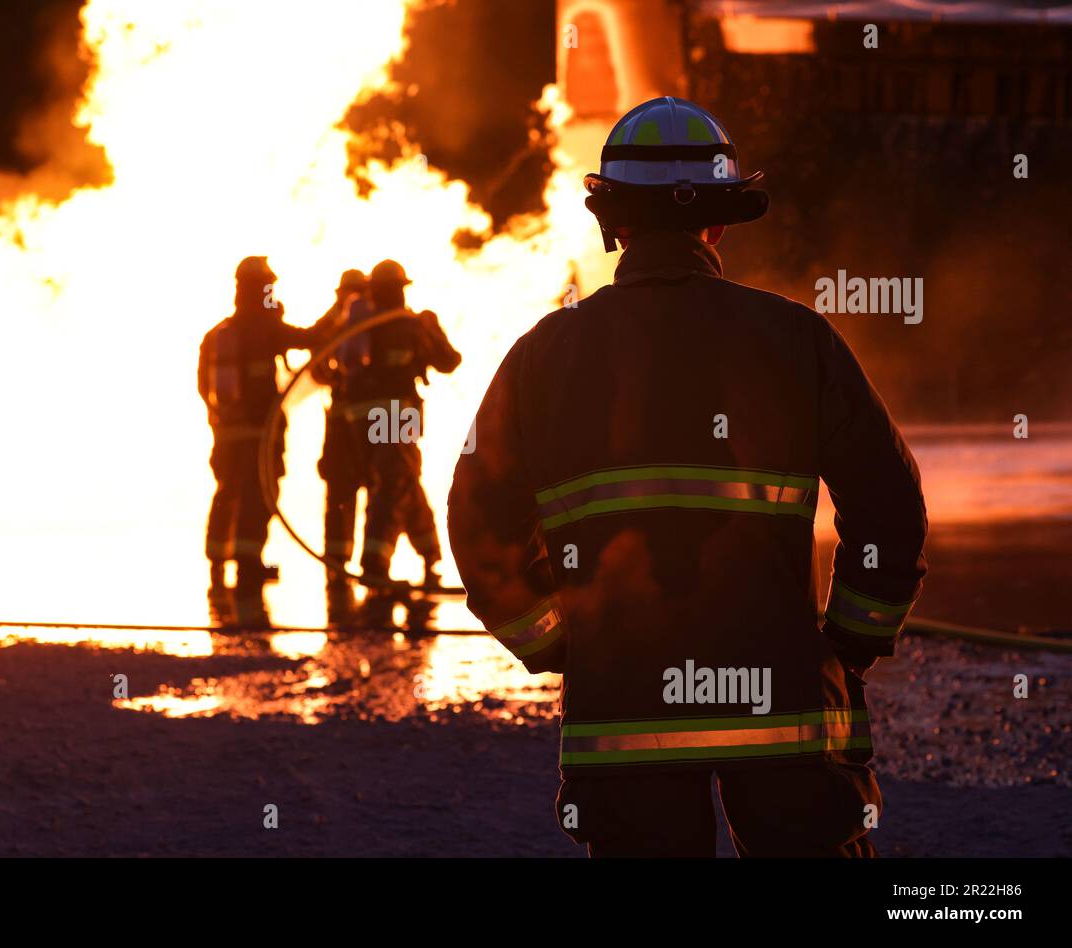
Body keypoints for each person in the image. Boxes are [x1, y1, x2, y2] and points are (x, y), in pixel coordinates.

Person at [447, 97, 928, 857]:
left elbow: (478, 525)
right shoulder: (796, 340)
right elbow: (890, 508)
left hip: (623, 714)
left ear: (614, 223)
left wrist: (557, 645)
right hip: (784, 711)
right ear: (721, 221)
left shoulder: (544, 355)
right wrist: (846, 643)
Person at [199, 256, 315, 597]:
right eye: (268, 287)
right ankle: (249, 566)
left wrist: (219, 421)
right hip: (260, 436)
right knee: (258, 498)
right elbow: (312, 338)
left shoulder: (216, 335)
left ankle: (218, 564)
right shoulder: (268, 330)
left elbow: (202, 387)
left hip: (226, 434)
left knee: (226, 493)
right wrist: (342, 308)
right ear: (257, 289)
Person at [351, 259, 461, 604]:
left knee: (404, 480)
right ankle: (375, 562)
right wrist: (432, 326)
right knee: (394, 483)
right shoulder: (412, 326)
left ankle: (430, 555)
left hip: (364, 420)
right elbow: (449, 361)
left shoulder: (361, 325)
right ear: (401, 290)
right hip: (398, 416)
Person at [308, 269, 371, 598]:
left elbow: (317, 364)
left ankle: (354, 566)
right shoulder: (352, 321)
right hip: (360, 421)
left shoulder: (369, 321)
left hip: (357, 419)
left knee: (355, 491)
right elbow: (316, 361)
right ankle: (344, 564)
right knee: (345, 491)